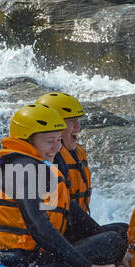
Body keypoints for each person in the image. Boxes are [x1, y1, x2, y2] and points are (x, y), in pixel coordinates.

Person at [0, 103, 125, 267]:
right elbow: (39, 228)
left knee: (120, 231)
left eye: (58, 140)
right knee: (112, 241)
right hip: (19, 265)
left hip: (35, 255)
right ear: (27, 140)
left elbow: (76, 215)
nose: (57, 148)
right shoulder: (23, 169)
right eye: (49, 141)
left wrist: (120, 251)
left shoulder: (34, 164)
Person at [36, 90, 129, 247]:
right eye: (71, 121)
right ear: (53, 125)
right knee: (114, 240)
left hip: (71, 232)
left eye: (77, 120)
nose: (78, 127)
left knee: (124, 231)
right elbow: (66, 213)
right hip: (58, 242)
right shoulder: (48, 162)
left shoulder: (74, 153)